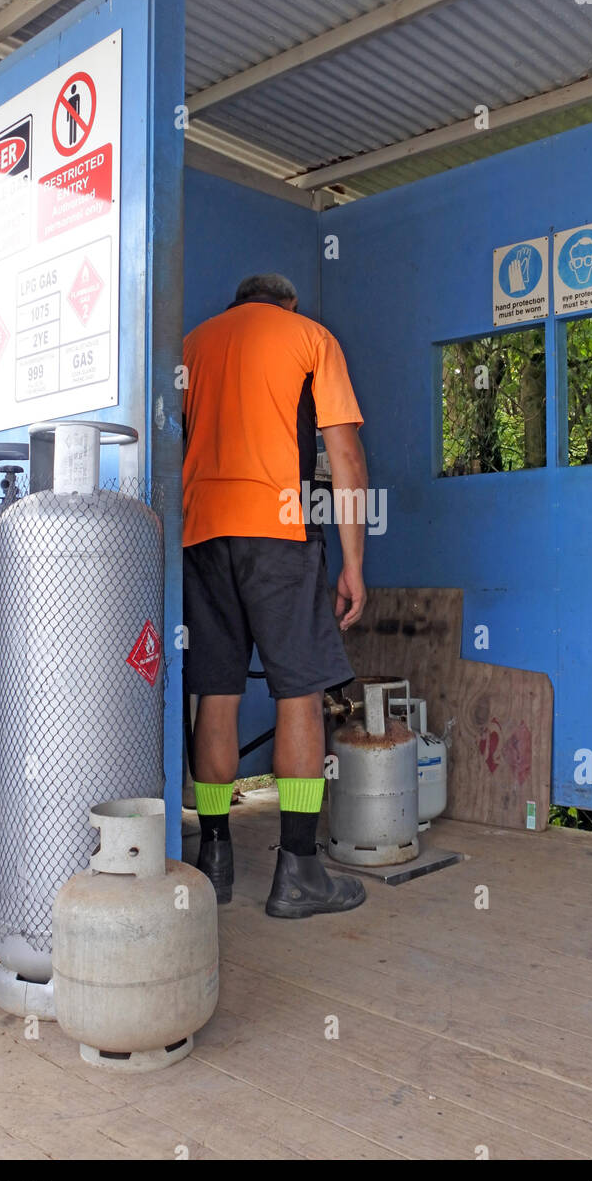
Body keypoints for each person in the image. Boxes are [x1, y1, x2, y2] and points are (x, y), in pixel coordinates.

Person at [181, 272, 369, 919]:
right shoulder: (310, 337)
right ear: (286, 304)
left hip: (202, 534)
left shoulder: (192, 345)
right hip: (282, 530)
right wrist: (353, 562)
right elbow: (344, 455)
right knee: (300, 693)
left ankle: (213, 853)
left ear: (237, 303)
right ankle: (298, 872)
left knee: (218, 690)